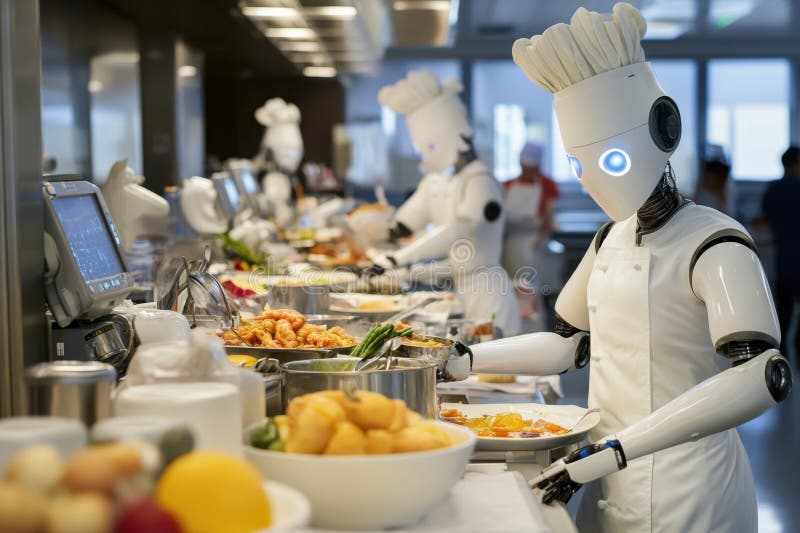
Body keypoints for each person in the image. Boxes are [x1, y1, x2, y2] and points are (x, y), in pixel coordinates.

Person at [452, 4, 791, 532]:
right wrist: (464, 359)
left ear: (663, 129)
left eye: (609, 162)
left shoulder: (714, 240)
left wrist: (619, 449)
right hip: (608, 475)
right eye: (578, 166)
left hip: (692, 487)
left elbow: (761, 377)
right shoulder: (611, 237)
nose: (593, 182)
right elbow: (568, 346)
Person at [370, 70, 521, 337]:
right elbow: (405, 223)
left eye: (428, 148)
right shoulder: (444, 181)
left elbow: (458, 231)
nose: (425, 157)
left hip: (488, 294)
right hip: (462, 290)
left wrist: (399, 259)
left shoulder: (479, 181)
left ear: (452, 136)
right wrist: (408, 268)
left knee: (496, 372)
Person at [762, 145, 800, 365]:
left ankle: (782, 354)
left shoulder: (773, 190)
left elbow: (766, 219)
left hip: (783, 259)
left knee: (783, 313)